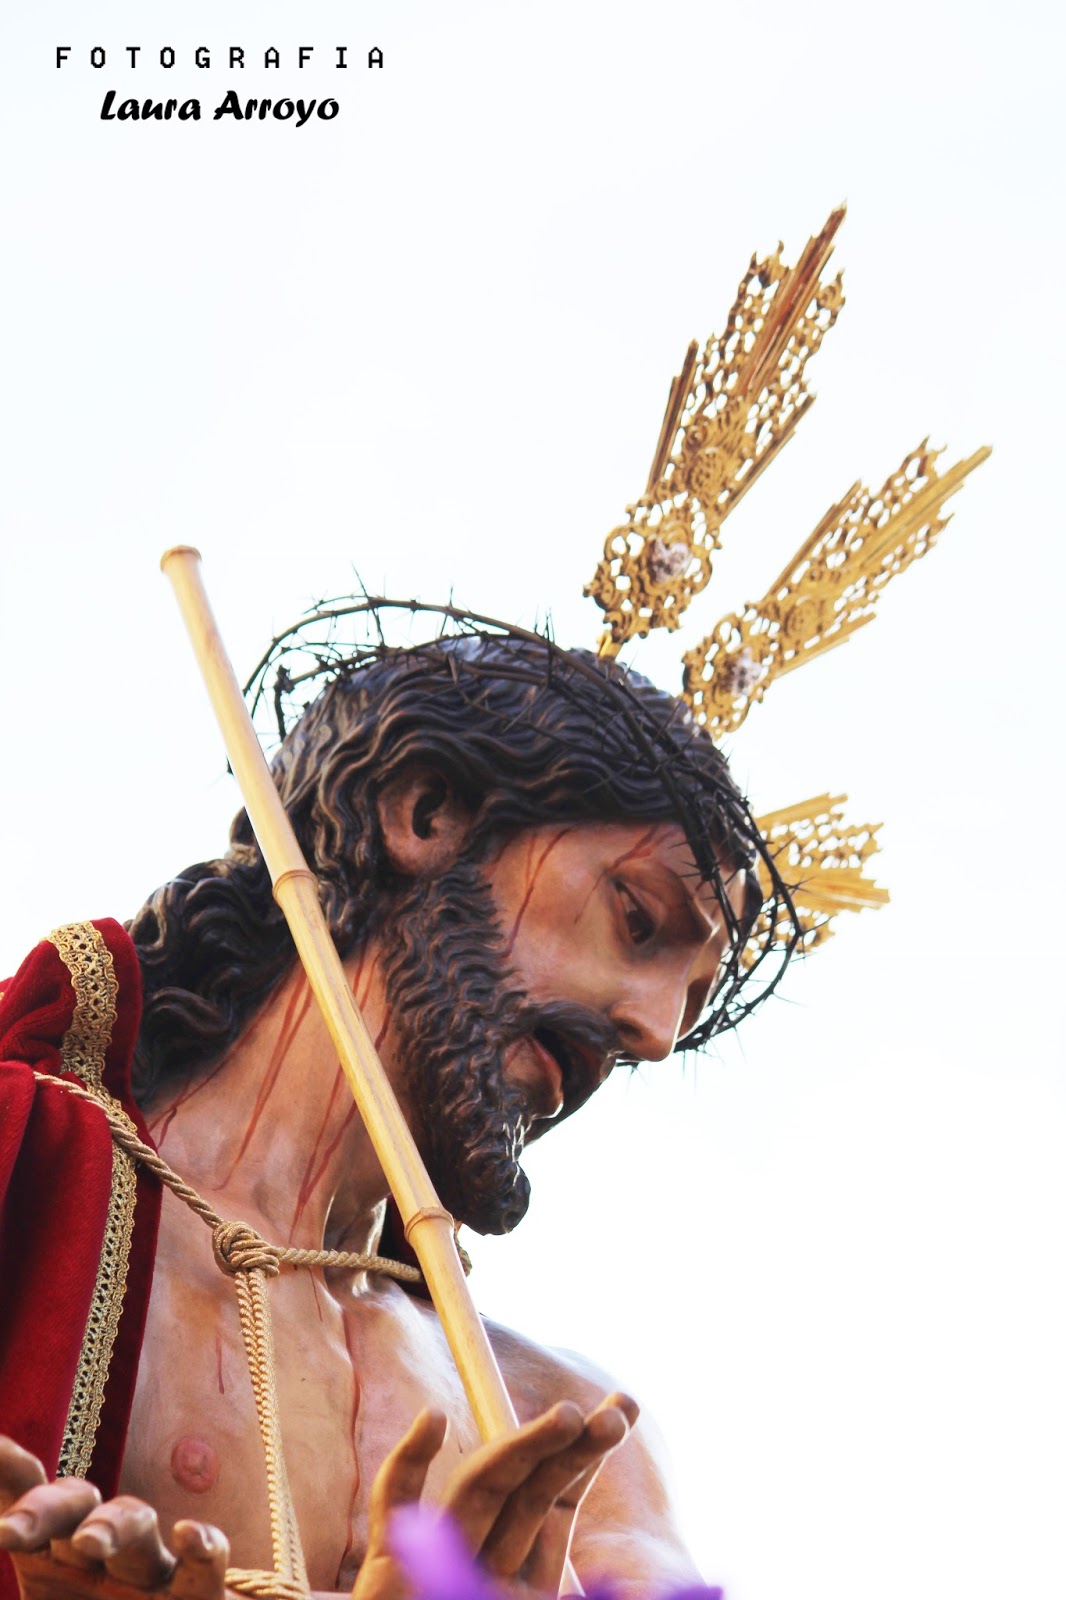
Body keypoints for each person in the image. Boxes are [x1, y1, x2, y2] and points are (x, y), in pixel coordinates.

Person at [0, 630, 792, 1600]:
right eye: (636, 917)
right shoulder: (27, 1184)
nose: (655, 1033)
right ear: (423, 813)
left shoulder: (558, 1435)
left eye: (689, 1002)